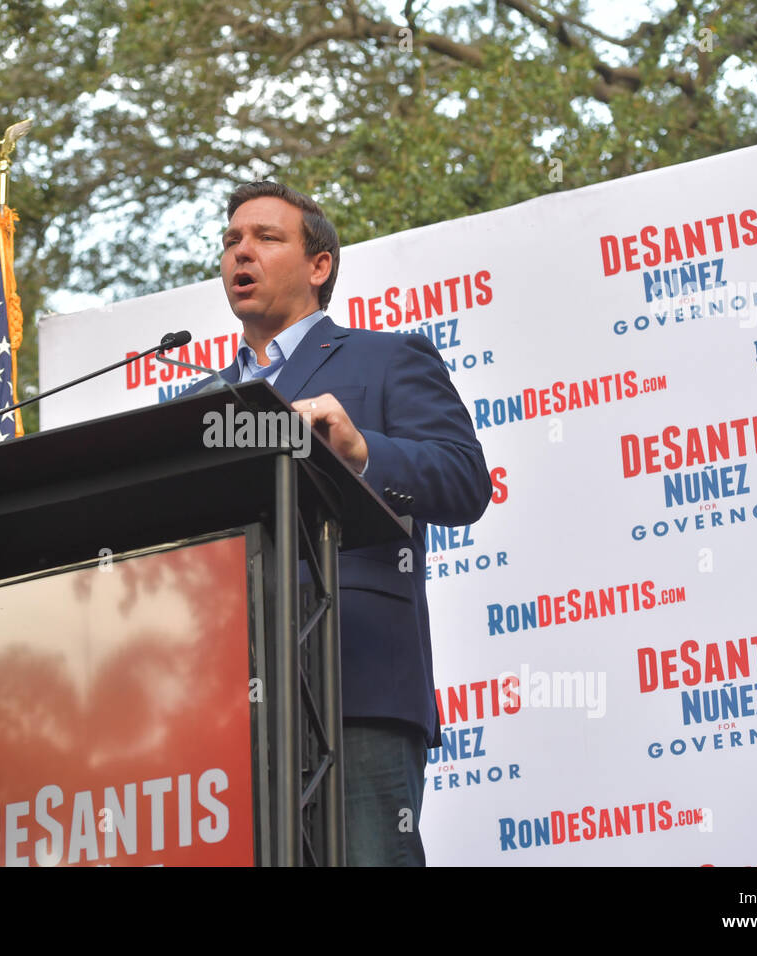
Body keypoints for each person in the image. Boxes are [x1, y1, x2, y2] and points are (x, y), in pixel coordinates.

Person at [183, 181, 492, 865]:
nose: (242, 251)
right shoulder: (198, 404)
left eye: (266, 237)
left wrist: (360, 449)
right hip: (225, 708)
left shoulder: (386, 358)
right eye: (232, 240)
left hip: (357, 687)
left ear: (319, 266)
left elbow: (465, 479)